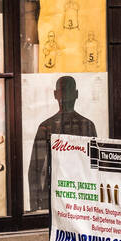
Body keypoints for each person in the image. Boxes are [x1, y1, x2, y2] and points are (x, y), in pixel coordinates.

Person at [28, 75, 97, 210]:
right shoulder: (46, 127)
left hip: (80, 194)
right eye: (63, 91)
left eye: (69, 91)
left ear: (76, 94)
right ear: (55, 94)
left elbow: (95, 166)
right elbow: (35, 170)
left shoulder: (87, 125)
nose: (66, 96)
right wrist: (35, 206)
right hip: (56, 194)